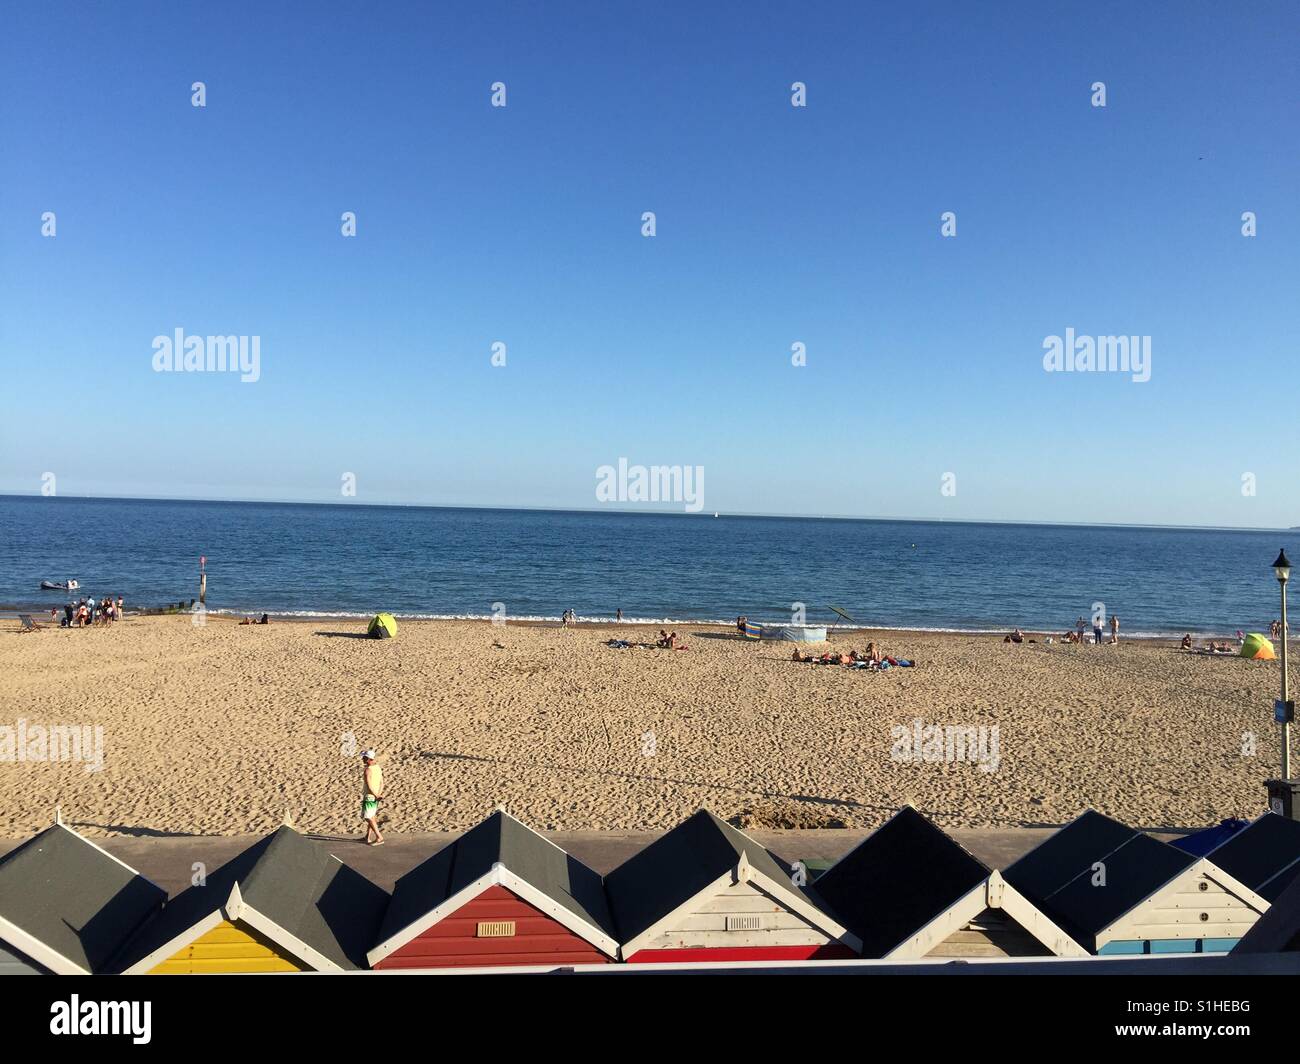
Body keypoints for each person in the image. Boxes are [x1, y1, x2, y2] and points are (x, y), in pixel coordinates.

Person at [360, 749, 384, 845]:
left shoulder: (368, 770)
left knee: (368, 817)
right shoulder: (377, 768)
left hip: (370, 796)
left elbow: (369, 786)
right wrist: (379, 794)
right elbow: (382, 782)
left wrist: (375, 795)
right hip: (376, 795)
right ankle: (367, 837)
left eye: (364, 758)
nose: (362, 759)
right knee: (372, 816)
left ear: (368, 759)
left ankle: (379, 837)